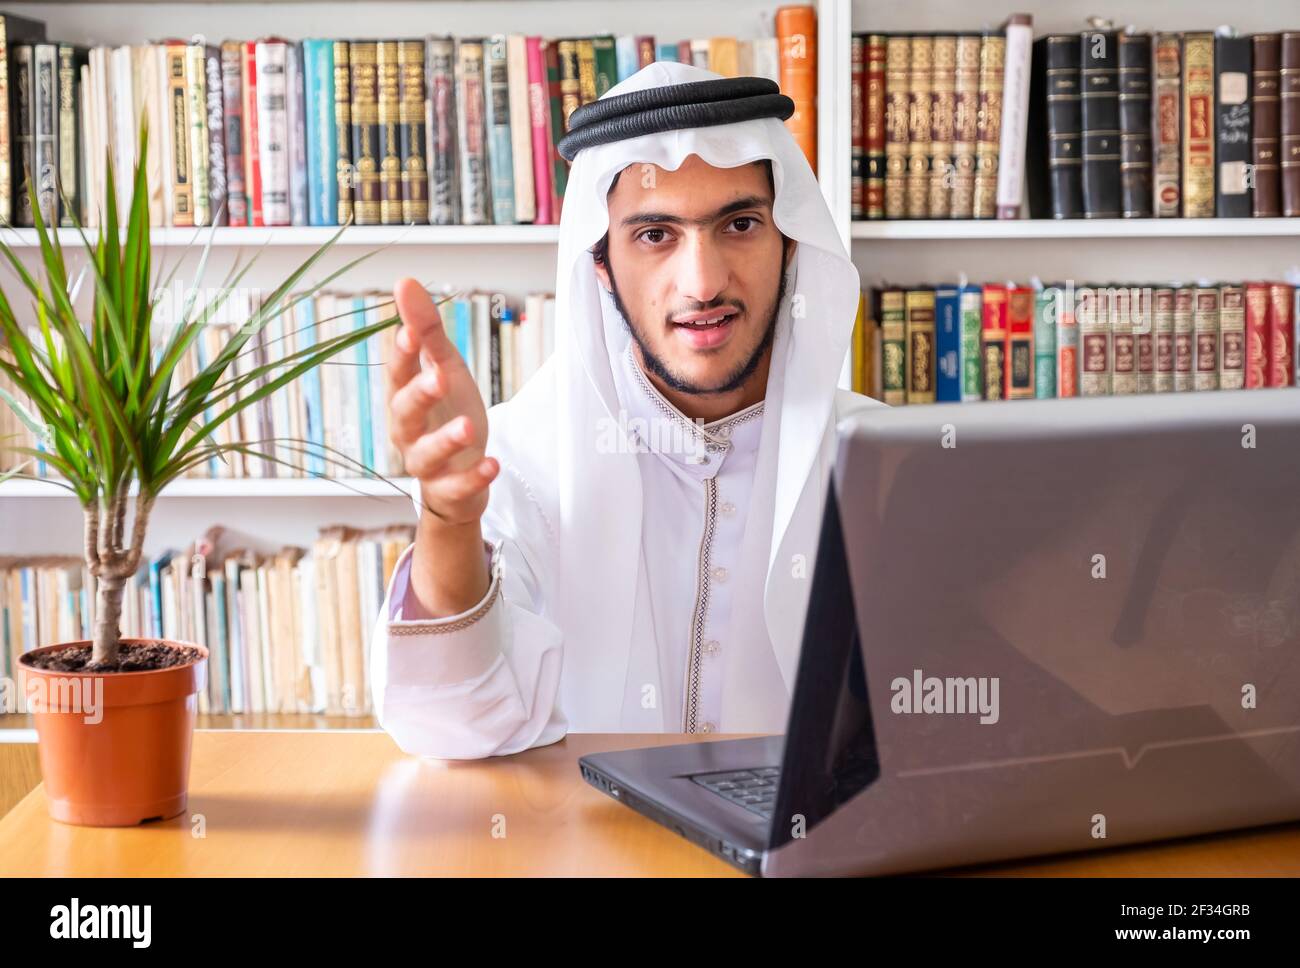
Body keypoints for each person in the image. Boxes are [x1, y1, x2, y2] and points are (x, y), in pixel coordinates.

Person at [369, 61, 884, 759]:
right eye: (654, 235)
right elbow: (453, 723)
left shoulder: (879, 459)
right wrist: (448, 519)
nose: (702, 283)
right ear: (601, 264)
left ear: (787, 242)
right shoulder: (522, 455)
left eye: (739, 224)